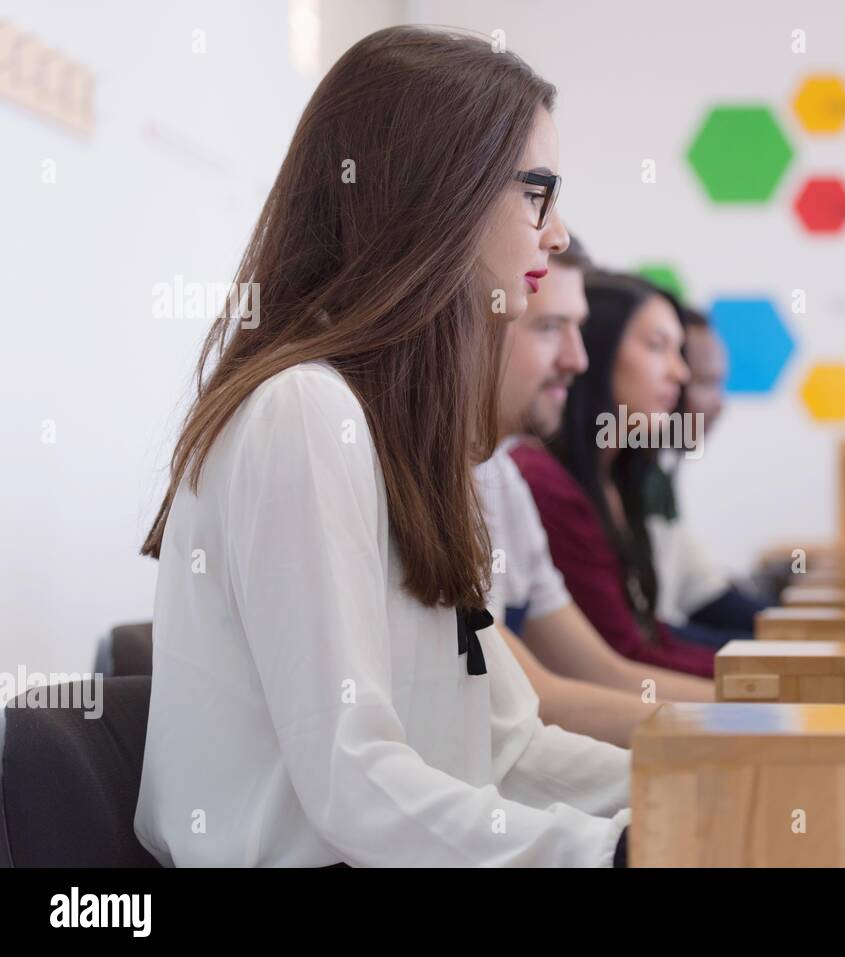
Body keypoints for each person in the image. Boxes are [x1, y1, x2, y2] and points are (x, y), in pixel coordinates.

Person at [135, 27, 628, 867]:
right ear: (442, 193)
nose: (557, 233)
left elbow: (507, 751)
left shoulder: (409, 436)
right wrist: (617, 851)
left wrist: (708, 789)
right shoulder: (301, 412)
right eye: (536, 192)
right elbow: (354, 782)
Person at [477, 237, 713, 747]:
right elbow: (548, 697)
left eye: (576, 330)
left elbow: (598, 670)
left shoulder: (508, 482)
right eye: (549, 328)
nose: (576, 360)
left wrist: (780, 705)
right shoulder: (534, 480)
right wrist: (770, 715)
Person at [513, 273, 718, 677]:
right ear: (599, 351)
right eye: (658, 348)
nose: (681, 374)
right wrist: (777, 685)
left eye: (679, 352)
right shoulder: (542, 482)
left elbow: (648, 636)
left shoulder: (624, 477)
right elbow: (621, 659)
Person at [641, 305, 768, 649]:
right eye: (706, 382)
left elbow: (703, 592)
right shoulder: (624, 485)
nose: (721, 403)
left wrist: (806, 637)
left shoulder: (658, 478)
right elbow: (641, 639)